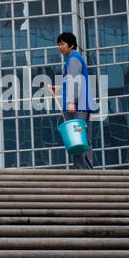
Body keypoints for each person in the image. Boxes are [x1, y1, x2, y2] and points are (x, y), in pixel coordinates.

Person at [50, 31, 97, 170]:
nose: (60, 47)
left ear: (71, 45)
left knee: (76, 139)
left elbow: (74, 82)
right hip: (83, 104)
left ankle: (80, 170)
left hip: (77, 105)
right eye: (59, 44)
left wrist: (71, 102)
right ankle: (87, 169)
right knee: (84, 139)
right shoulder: (74, 59)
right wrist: (59, 88)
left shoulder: (73, 59)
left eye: (63, 44)